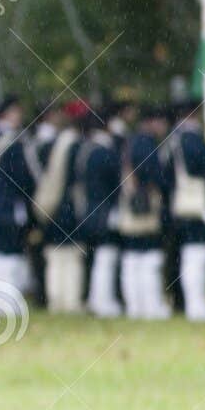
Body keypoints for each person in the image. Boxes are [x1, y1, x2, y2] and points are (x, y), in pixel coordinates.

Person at [166, 100, 205, 322]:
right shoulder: (196, 141)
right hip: (197, 205)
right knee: (196, 256)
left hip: (179, 204)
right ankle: (195, 305)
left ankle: (190, 303)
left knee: (187, 255)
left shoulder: (173, 141)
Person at [33, 101, 87, 313]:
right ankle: (71, 301)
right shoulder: (76, 146)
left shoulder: (49, 144)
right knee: (71, 257)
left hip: (52, 207)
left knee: (55, 257)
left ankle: (57, 300)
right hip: (70, 208)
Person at [117, 106, 170, 319]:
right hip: (145, 205)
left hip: (130, 204)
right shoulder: (146, 144)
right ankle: (150, 306)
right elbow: (154, 175)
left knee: (132, 259)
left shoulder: (131, 141)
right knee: (149, 258)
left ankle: (135, 306)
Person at [0, 97, 35, 303]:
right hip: (10, 208)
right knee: (11, 254)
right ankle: (8, 302)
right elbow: (24, 181)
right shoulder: (14, 143)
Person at [78, 107, 123, 317]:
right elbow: (115, 183)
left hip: (90, 208)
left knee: (97, 258)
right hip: (104, 210)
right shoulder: (104, 151)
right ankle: (103, 300)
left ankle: (97, 298)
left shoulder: (85, 149)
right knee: (106, 257)